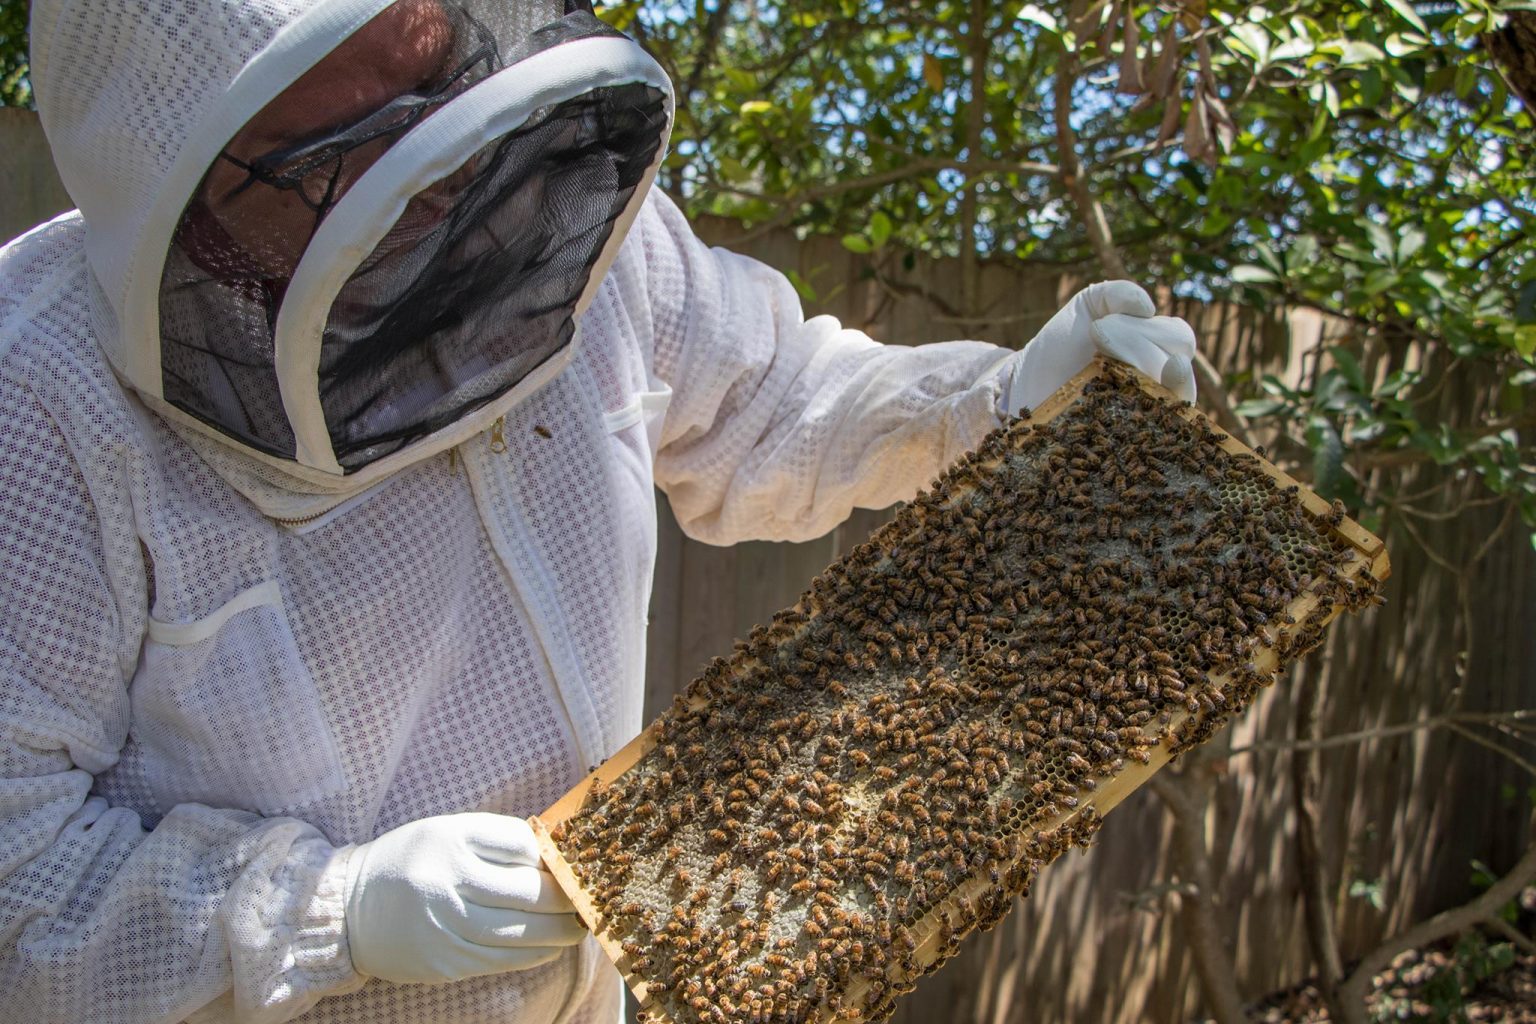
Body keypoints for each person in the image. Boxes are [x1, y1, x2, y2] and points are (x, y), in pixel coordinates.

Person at [0, 1, 1198, 1021]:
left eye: (430, 90)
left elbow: (775, 403)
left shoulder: (578, 248)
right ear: (179, 170)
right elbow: (17, 886)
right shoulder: (39, 401)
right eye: (335, 154)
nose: (421, 186)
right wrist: (328, 912)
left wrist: (992, 400)